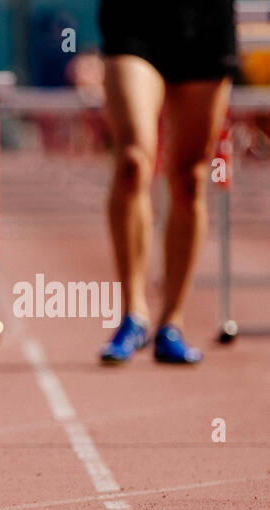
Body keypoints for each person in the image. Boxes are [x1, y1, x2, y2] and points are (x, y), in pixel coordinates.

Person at [97, 0, 238, 365]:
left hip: (205, 22)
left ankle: (171, 323)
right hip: (134, 20)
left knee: (190, 178)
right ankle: (133, 314)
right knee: (132, 162)